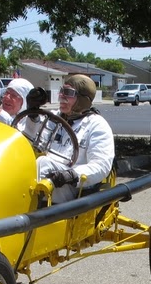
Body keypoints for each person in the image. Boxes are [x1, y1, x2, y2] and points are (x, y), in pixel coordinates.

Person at [36, 74, 115, 203]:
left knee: (43, 163)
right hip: (46, 179)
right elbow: (31, 140)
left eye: (68, 93)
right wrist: (32, 114)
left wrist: (72, 175)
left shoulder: (97, 125)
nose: (61, 96)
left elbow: (101, 166)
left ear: (81, 99)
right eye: (61, 91)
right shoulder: (53, 118)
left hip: (73, 187)